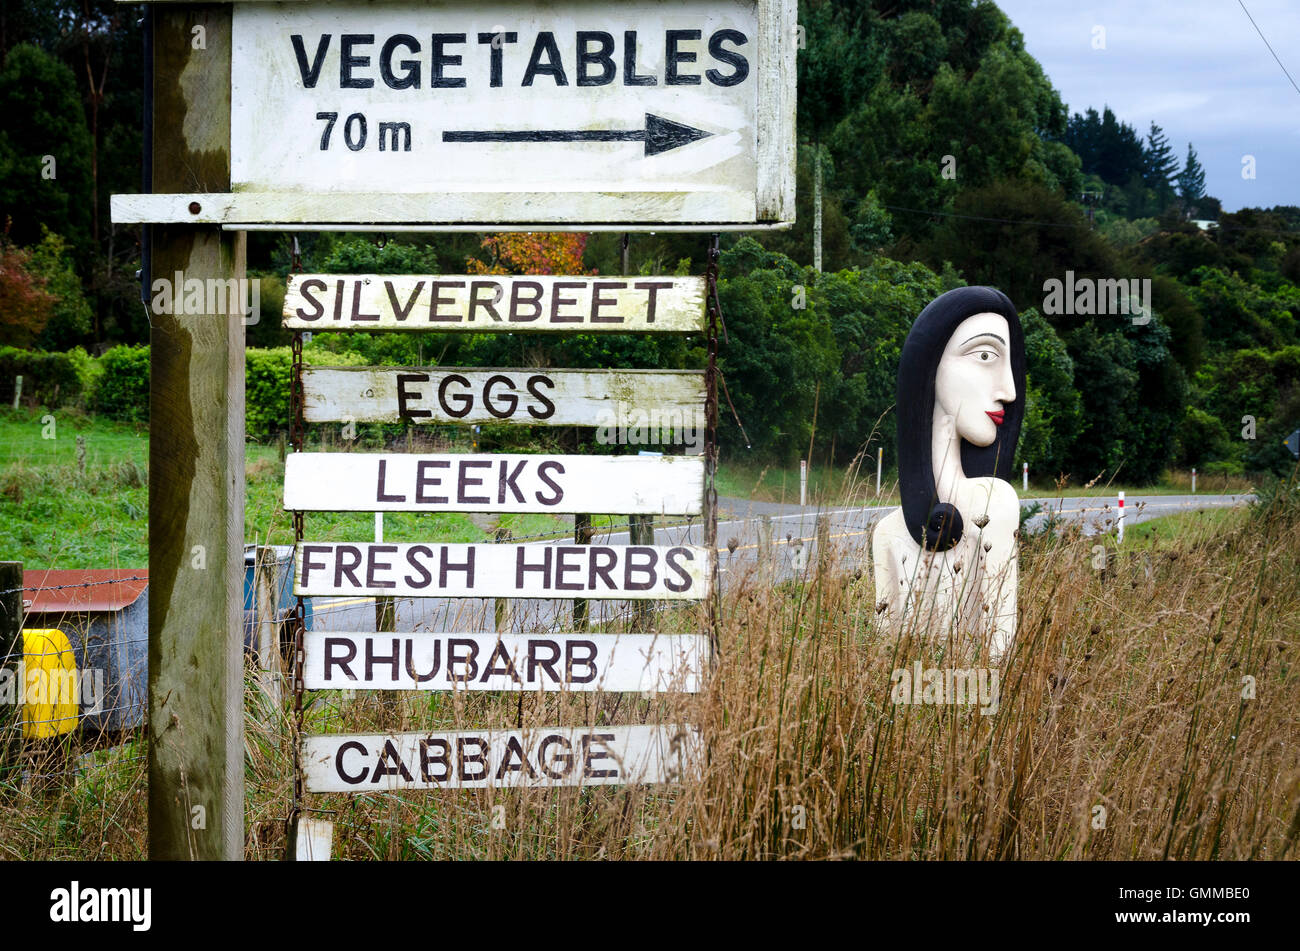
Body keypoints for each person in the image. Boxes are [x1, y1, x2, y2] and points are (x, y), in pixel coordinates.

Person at [871, 286, 1025, 661]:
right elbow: (882, 656)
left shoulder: (995, 503)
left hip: (971, 712)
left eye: (1010, 365)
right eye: (986, 355)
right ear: (930, 362)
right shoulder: (887, 533)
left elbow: (998, 650)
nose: (1009, 390)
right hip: (916, 708)